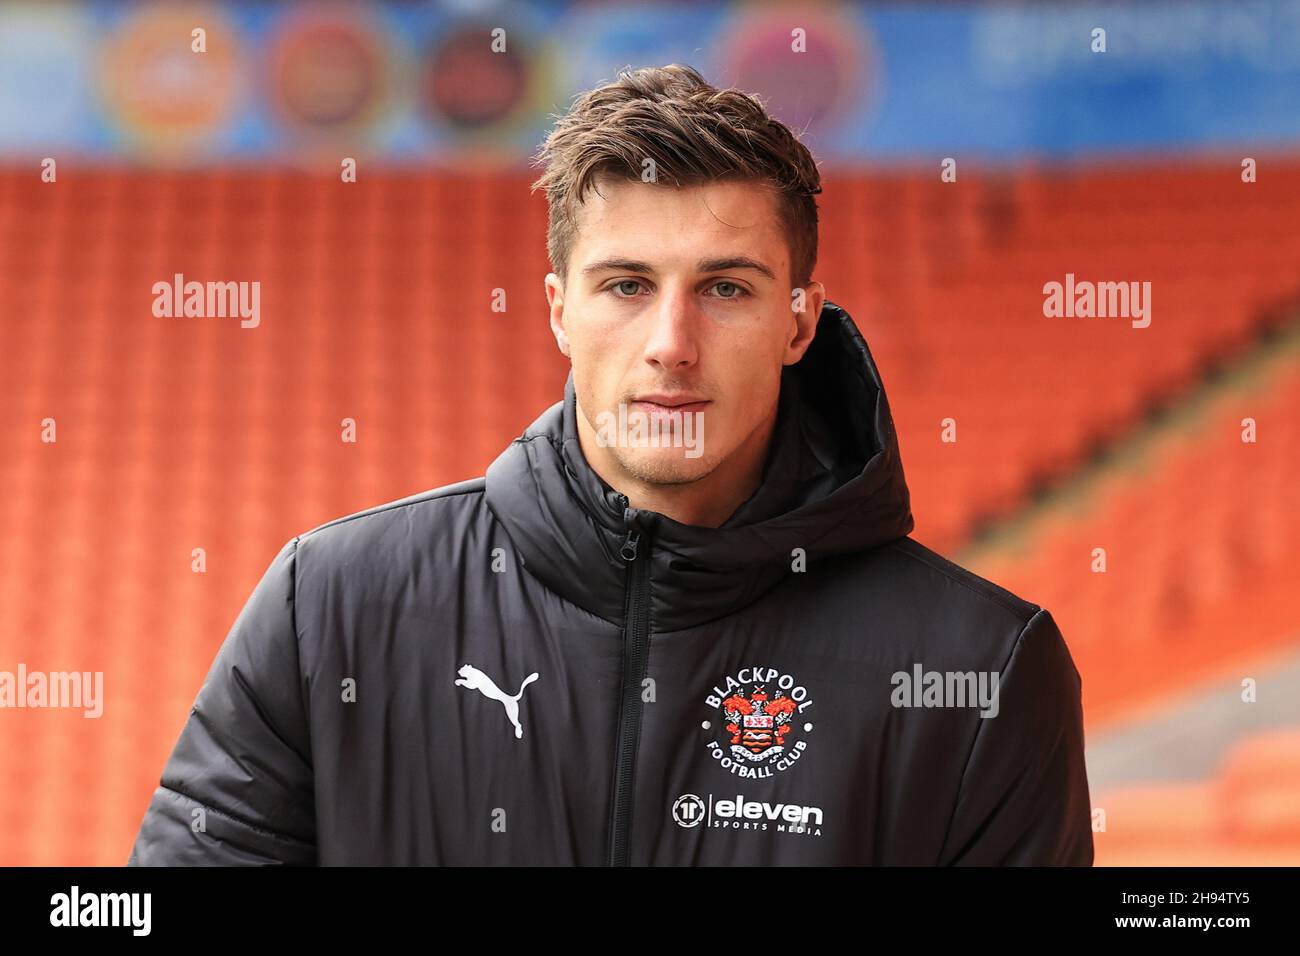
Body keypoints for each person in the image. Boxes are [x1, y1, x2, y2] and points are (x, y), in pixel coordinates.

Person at [129, 64, 1093, 866]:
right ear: (557, 310)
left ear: (798, 320)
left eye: (725, 288)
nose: (671, 343)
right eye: (626, 285)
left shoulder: (980, 668)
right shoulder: (332, 608)